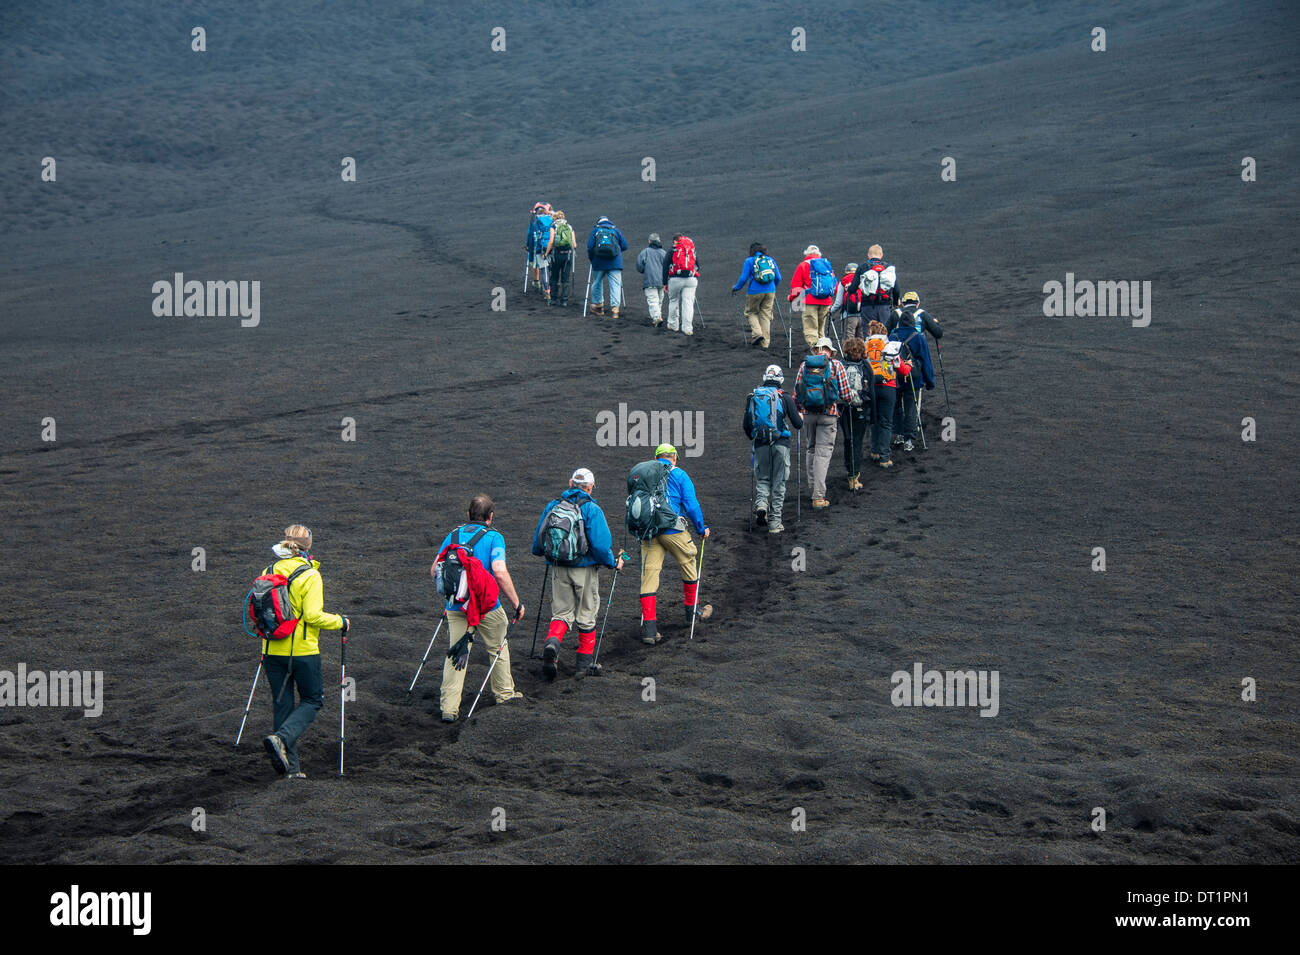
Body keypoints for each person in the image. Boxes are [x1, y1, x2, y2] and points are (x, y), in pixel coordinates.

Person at [260, 524, 350, 779]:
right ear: (308, 546)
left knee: (283, 707)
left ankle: (291, 770)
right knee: (312, 700)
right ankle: (281, 739)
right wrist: (341, 622)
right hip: (302, 652)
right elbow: (313, 616)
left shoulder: (268, 570)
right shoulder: (310, 575)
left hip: (271, 650)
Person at [434, 495, 526, 722]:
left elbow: (435, 568)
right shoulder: (495, 537)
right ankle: (505, 695)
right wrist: (516, 603)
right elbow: (500, 572)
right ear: (490, 517)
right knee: (498, 648)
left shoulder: (453, 536)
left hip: (456, 605)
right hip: (487, 606)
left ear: (468, 514)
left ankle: (448, 708)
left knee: (456, 653)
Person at [531, 468, 626, 678]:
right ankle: (584, 665)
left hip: (558, 568)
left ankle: (552, 646)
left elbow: (539, 540)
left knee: (561, 613)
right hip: (584, 570)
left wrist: (544, 555)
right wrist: (613, 563)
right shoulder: (592, 509)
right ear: (590, 488)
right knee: (586, 615)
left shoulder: (553, 505)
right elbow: (601, 547)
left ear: (570, 483)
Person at [636, 444, 709, 645]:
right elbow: (692, 505)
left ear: (656, 457)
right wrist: (702, 529)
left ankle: (649, 629)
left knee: (649, 576)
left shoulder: (644, 474)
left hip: (649, 532)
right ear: (674, 458)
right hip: (673, 529)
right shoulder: (679, 475)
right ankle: (691, 613)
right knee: (688, 562)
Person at [743, 364, 802, 534]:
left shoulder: (753, 396)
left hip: (760, 444)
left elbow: (746, 425)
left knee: (762, 478)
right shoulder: (785, 397)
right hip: (781, 444)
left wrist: (754, 437)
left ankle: (761, 504)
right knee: (779, 483)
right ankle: (775, 523)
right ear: (781, 379)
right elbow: (798, 424)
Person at [793, 337, 851, 509]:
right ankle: (818, 496)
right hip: (828, 414)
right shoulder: (836, 366)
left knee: (810, 449)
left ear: (816, 350)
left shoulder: (805, 365)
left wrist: (799, 410)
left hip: (808, 414)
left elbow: (797, 390)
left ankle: (813, 488)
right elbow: (846, 393)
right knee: (823, 454)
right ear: (830, 351)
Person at [865, 321, 911, 468]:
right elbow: (903, 370)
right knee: (886, 422)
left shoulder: (865, 347)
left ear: (870, 333)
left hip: (871, 387)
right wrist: (909, 365)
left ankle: (874, 451)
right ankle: (885, 458)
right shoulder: (889, 346)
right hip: (888, 387)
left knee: (874, 420)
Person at [889, 307, 935, 453]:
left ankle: (899, 435)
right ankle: (909, 440)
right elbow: (926, 361)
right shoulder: (918, 337)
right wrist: (929, 381)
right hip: (913, 378)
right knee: (911, 408)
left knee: (896, 407)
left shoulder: (892, 335)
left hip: (895, 378)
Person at [731, 242, 781, 348]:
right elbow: (778, 278)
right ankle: (765, 344)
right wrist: (773, 287)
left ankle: (757, 334)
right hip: (770, 290)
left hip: (755, 291)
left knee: (751, 312)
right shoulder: (770, 260)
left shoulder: (749, 261)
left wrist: (736, 288)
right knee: (765, 315)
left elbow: (744, 278)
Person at [787, 245, 836, 352]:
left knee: (811, 329)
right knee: (820, 330)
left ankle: (817, 355)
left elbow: (796, 287)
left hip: (810, 301)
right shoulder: (827, 265)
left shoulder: (803, 265)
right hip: (826, 302)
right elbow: (834, 285)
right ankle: (824, 353)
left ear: (807, 254)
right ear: (819, 254)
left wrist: (791, 297)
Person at [839, 337, 873, 490]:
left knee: (848, 439)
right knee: (856, 442)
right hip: (861, 408)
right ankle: (854, 475)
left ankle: (850, 469)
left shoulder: (841, 364)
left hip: (843, 407)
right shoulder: (865, 365)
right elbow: (871, 390)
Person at [847, 244, 897, 331]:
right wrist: (895, 302)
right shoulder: (888, 268)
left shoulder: (862, 267)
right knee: (885, 332)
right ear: (881, 255)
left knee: (868, 333)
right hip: (884, 306)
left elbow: (853, 288)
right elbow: (896, 289)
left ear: (868, 255)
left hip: (868, 306)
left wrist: (849, 289)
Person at [586, 216, 629, 318]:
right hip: (615, 262)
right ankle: (615, 310)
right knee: (615, 284)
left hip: (599, 262)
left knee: (597, 283)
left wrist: (592, 259)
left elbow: (590, 246)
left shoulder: (595, 230)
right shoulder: (615, 230)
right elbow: (625, 245)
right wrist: (616, 252)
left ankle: (598, 306)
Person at [662, 233, 700, 335]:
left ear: (675, 241)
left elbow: (665, 266)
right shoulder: (691, 249)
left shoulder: (673, 250)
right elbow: (698, 265)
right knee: (688, 303)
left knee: (674, 300)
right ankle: (687, 328)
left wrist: (665, 283)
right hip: (691, 279)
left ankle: (673, 325)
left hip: (675, 278)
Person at [636, 233, 668, 327]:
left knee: (653, 300)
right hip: (662, 281)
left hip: (650, 281)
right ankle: (658, 317)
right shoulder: (663, 253)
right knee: (659, 301)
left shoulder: (645, 252)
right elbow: (668, 267)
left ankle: (657, 317)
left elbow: (639, 266)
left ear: (649, 241)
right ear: (659, 241)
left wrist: (644, 270)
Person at [526, 202, 554, 300]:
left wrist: (527, 245)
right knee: (550, 269)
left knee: (544, 269)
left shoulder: (535, 221)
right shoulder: (552, 219)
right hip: (552, 248)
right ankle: (552, 288)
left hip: (540, 248)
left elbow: (530, 234)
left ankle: (547, 291)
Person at [549, 210, 576, 307]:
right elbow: (574, 244)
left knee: (554, 277)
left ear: (555, 218)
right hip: (567, 256)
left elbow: (551, 241)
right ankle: (564, 301)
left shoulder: (553, 226)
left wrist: (546, 253)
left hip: (556, 255)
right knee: (565, 279)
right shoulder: (569, 227)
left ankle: (553, 299)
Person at [832, 263, 865, 342]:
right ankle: (861, 354)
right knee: (861, 340)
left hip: (848, 316)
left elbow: (839, 302)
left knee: (848, 340)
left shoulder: (844, 281)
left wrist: (830, 311)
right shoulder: (863, 280)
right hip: (862, 316)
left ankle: (848, 355)